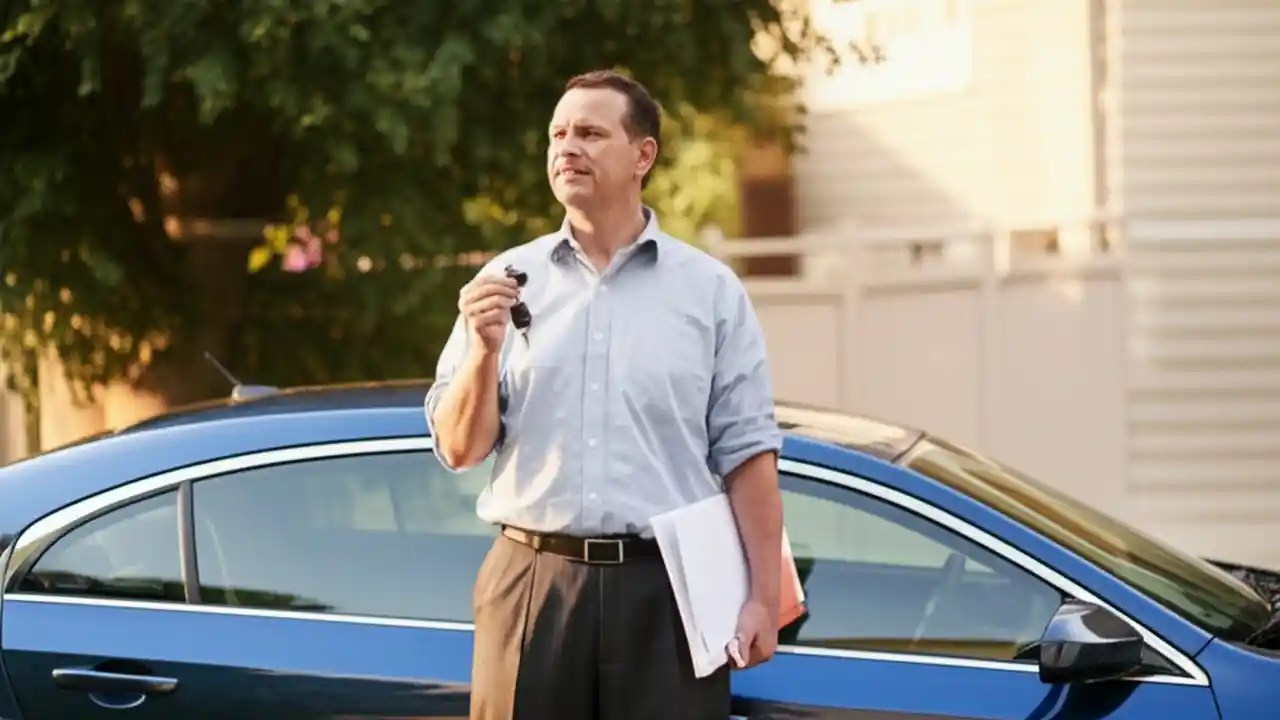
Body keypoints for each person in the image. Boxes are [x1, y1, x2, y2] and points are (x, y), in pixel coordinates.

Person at [425, 69, 783, 720]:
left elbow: (749, 455)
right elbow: (458, 448)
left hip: (669, 590)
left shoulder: (710, 292)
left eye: (590, 132)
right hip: (531, 582)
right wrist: (482, 351)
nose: (567, 148)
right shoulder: (504, 280)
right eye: (558, 134)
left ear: (643, 155)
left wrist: (762, 597)